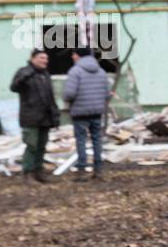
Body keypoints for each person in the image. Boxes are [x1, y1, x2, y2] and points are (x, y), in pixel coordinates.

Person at [10, 49, 59, 183]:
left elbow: (50, 96)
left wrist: (55, 114)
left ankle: (39, 171)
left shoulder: (45, 75)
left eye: (46, 59)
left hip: (45, 117)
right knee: (31, 145)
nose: (45, 61)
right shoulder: (24, 72)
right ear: (32, 58)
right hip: (30, 117)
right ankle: (28, 173)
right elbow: (14, 87)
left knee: (42, 145)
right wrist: (25, 76)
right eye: (42, 58)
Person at [64, 46, 111, 180]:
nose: (72, 57)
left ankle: (82, 170)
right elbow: (107, 93)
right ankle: (98, 170)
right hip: (96, 111)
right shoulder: (101, 71)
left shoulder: (75, 71)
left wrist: (67, 100)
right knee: (97, 140)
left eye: (73, 54)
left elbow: (69, 94)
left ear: (78, 55)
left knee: (81, 140)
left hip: (80, 112)